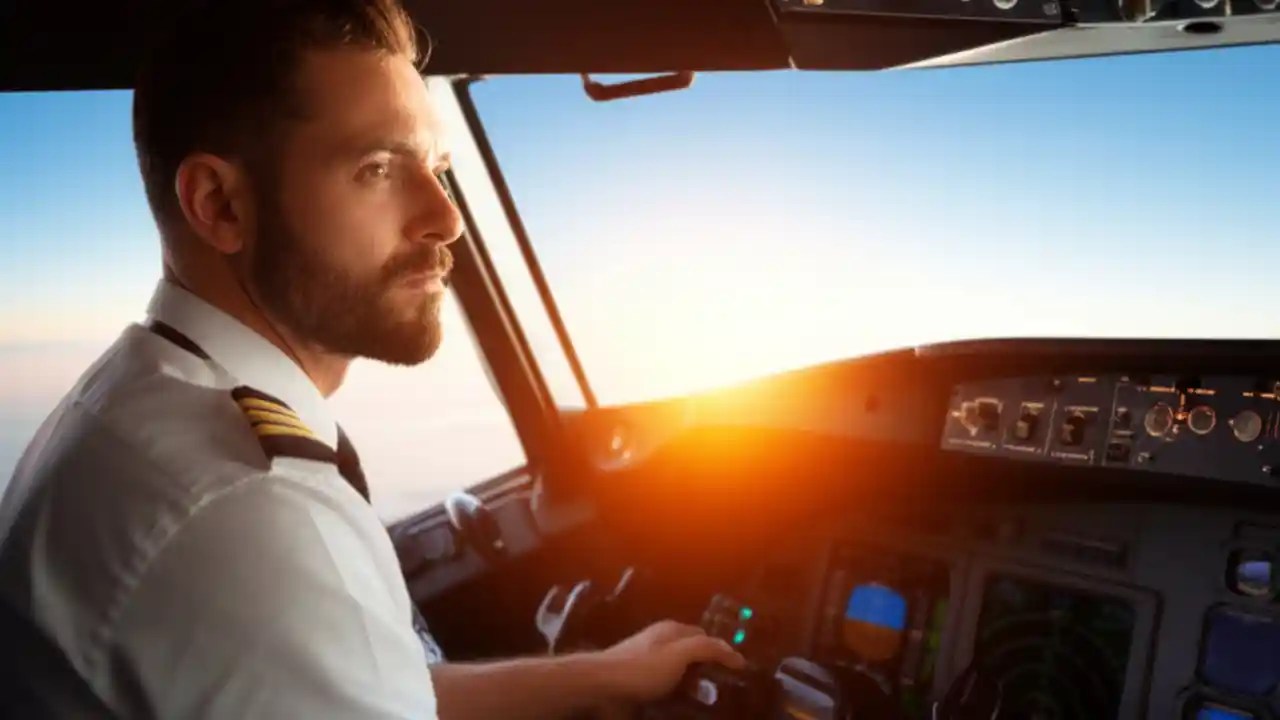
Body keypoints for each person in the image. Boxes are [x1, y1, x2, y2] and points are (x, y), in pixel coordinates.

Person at [0, 0, 745, 717]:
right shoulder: (249, 516)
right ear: (220, 205)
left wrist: (604, 676)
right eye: (378, 169)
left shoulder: (144, 392)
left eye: (437, 166)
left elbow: (369, 692)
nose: (446, 218)